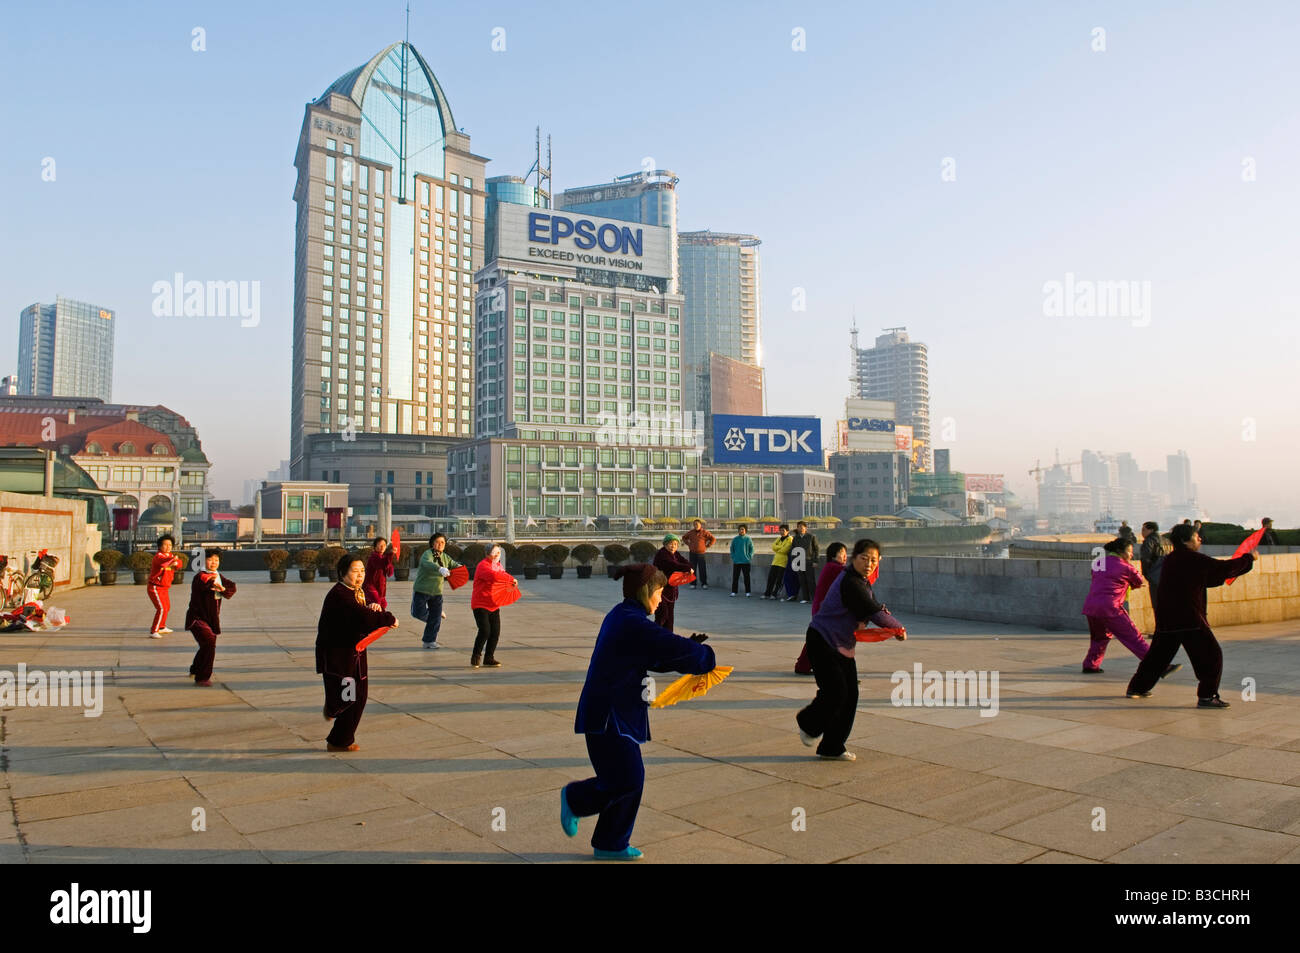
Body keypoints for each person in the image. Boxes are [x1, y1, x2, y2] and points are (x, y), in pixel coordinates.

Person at [562, 563, 716, 860]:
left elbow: (654, 653)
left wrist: (686, 648)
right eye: (659, 592)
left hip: (612, 712)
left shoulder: (623, 616)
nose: (661, 598)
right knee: (628, 778)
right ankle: (576, 800)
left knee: (624, 778)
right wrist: (704, 656)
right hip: (610, 715)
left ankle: (610, 842)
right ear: (646, 591)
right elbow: (665, 646)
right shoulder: (632, 622)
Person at [1124, 523, 1257, 707]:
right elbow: (1222, 569)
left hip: (1168, 618)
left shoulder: (1172, 559)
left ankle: (1137, 688)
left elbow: (1208, 578)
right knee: (1212, 656)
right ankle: (1207, 696)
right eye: (1196, 536)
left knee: (1157, 656)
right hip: (1189, 617)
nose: (1200, 539)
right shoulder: (1192, 559)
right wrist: (1248, 559)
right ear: (1186, 540)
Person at [797, 539, 906, 760]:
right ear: (853, 557)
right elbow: (872, 610)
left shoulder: (862, 582)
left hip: (842, 645)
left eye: (873, 560)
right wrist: (897, 628)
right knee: (836, 691)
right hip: (822, 640)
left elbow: (872, 606)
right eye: (864, 558)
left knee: (850, 696)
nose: (869, 564)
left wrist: (883, 619)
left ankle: (832, 746)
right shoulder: (851, 582)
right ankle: (808, 724)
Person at [317, 553, 398, 752]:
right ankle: (338, 739)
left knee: (356, 696)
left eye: (362, 571)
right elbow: (361, 615)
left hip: (354, 654)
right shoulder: (340, 595)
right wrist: (388, 618)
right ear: (343, 573)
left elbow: (365, 612)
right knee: (352, 698)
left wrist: (374, 608)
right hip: (339, 657)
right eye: (355, 571)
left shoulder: (358, 592)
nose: (360, 575)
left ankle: (335, 714)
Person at [1081, 538, 1168, 675]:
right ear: (1121, 552)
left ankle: (1091, 665)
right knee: (1134, 637)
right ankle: (1158, 665)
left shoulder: (1098, 563)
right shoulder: (1126, 567)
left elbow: (1097, 578)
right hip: (1111, 607)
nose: (1131, 555)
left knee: (1100, 637)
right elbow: (1139, 581)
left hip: (1091, 606)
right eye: (1130, 552)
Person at [185, 549, 237, 686]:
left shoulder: (218, 575)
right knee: (209, 643)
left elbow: (232, 587)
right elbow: (206, 584)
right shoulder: (201, 576)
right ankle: (202, 677)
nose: (214, 562)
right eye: (210, 559)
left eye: (216, 560)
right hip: (197, 618)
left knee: (206, 645)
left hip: (211, 619)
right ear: (203, 561)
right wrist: (215, 585)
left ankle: (195, 669)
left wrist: (223, 589)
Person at [794, 541, 847, 675]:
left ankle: (803, 665)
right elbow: (857, 577)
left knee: (818, 639)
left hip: (823, 609)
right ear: (834, 555)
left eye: (846, 553)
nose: (845, 556)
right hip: (825, 611)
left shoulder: (832, 567)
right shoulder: (835, 568)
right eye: (842, 553)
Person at [469, 544, 519, 668]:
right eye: (494, 552)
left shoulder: (498, 566)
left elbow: (502, 577)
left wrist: (511, 583)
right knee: (485, 631)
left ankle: (489, 658)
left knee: (495, 632)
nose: (497, 555)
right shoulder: (483, 565)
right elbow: (495, 576)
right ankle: (476, 656)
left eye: (498, 553)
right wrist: (511, 578)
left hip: (494, 604)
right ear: (487, 554)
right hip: (480, 604)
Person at [412, 533, 462, 649]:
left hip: (437, 592)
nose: (440, 544)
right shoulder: (427, 554)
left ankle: (429, 641)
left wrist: (461, 568)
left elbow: (454, 565)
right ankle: (435, 616)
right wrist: (439, 568)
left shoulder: (445, 557)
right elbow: (427, 564)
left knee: (436, 619)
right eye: (437, 542)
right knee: (417, 613)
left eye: (443, 542)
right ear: (432, 543)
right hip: (422, 589)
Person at [147, 534, 187, 639]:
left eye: (170, 545)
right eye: (165, 545)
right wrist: (173, 561)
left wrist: (174, 561)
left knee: (166, 607)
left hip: (165, 587)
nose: (168, 547)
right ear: (160, 546)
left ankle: (161, 627)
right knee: (161, 608)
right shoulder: (158, 556)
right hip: (155, 587)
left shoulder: (170, 556)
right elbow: (164, 564)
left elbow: (179, 564)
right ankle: (153, 630)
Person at [652, 534, 692, 631]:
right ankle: (655, 634)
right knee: (662, 614)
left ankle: (669, 636)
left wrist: (689, 567)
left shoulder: (675, 554)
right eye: (670, 544)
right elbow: (672, 565)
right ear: (665, 545)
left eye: (675, 544)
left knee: (670, 616)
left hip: (670, 589)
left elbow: (686, 562)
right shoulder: (662, 554)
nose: (673, 546)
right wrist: (687, 568)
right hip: (659, 589)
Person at [1138, 521, 1169, 623]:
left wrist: (1147, 574)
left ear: (1151, 530)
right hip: (1166, 575)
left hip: (1155, 576)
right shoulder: (1164, 540)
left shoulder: (1149, 541)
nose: (1142, 532)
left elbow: (1146, 559)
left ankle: (1160, 629)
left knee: (1157, 604)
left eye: (1144, 529)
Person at [788, 521, 820, 604]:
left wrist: (815, 561)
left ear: (806, 528)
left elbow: (816, 550)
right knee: (802, 580)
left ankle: (815, 599)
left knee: (811, 581)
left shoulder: (811, 537)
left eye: (802, 527)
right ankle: (806, 598)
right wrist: (793, 561)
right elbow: (793, 550)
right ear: (797, 528)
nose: (801, 528)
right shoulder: (796, 538)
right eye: (799, 527)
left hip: (809, 561)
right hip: (799, 561)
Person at [363, 536, 396, 610]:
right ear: (375, 546)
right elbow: (380, 564)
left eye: (384, 545)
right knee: (376, 602)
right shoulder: (374, 557)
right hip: (370, 586)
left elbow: (390, 573)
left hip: (380, 588)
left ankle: (379, 619)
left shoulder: (384, 557)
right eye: (380, 545)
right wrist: (390, 555)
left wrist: (389, 564)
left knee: (383, 604)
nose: (382, 547)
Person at [682, 519, 716, 590]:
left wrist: (708, 545)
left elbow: (713, 539)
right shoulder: (691, 532)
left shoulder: (704, 532)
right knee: (692, 569)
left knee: (702, 569)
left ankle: (704, 583)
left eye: (697, 524)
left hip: (701, 553)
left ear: (700, 525)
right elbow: (684, 537)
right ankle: (693, 583)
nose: (696, 526)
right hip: (692, 553)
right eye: (694, 524)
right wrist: (688, 544)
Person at [764, 525, 793, 600]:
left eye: (783, 530)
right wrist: (780, 548)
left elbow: (785, 550)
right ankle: (767, 593)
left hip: (783, 562)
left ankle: (775, 594)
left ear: (787, 531)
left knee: (779, 580)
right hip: (775, 561)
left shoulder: (790, 539)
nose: (782, 532)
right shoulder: (779, 538)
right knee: (771, 578)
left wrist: (778, 549)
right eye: (780, 530)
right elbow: (773, 546)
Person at [729, 524, 753, 597]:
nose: (741, 531)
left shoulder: (748, 539)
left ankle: (748, 592)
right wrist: (733, 557)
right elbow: (732, 549)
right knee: (735, 577)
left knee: (747, 577)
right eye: (740, 529)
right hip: (737, 561)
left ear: (745, 530)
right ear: (738, 531)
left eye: (743, 529)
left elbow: (751, 549)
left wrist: (749, 557)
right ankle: (734, 591)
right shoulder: (735, 539)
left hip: (746, 561)